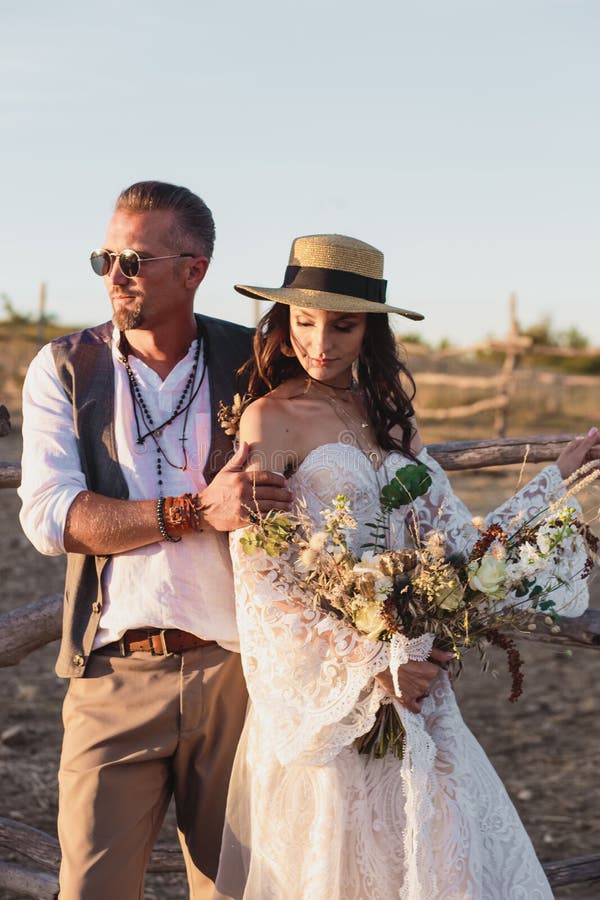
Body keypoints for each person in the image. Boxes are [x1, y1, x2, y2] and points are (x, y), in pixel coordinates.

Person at [213, 233, 600, 900]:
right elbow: (263, 573)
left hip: (419, 686)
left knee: (439, 857)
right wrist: (372, 666)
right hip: (339, 690)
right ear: (283, 321)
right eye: (304, 321)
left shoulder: (392, 419)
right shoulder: (269, 419)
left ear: (371, 329)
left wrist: (555, 482)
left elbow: (457, 545)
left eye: (343, 325)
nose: (320, 342)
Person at [18, 180, 292, 900]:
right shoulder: (65, 368)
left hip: (241, 674)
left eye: (134, 261)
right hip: (115, 675)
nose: (115, 275)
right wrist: (194, 511)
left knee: (238, 890)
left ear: (194, 270)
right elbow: (52, 518)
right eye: (104, 258)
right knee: (93, 888)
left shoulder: (257, 362)